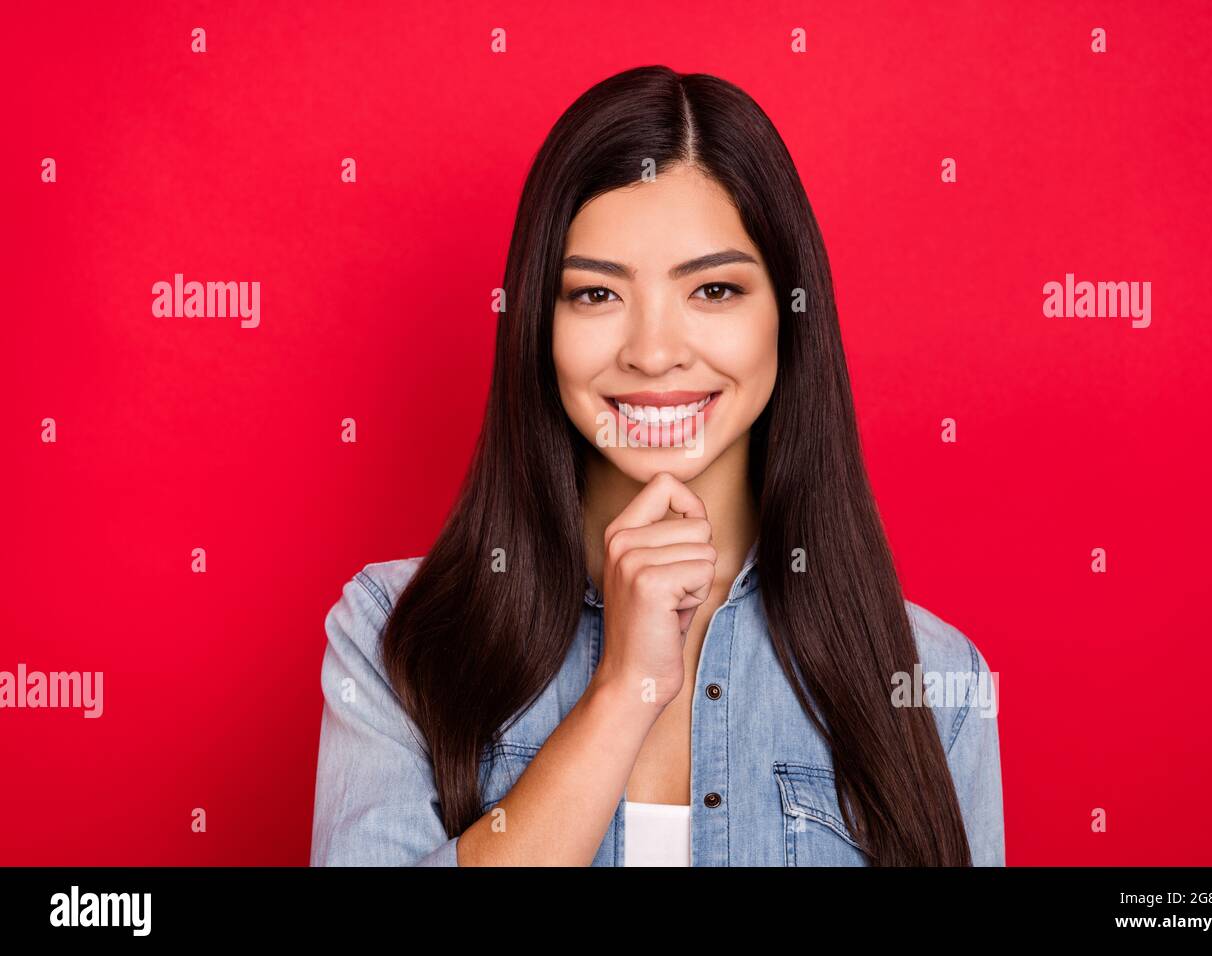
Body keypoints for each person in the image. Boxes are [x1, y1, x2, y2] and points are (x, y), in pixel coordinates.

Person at [310, 64, 1005, 867]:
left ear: (788, 314)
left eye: (713, 289)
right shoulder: (395, 636)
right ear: (539, 322)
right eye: (596, 295)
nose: (652, 353)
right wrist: (620, 692)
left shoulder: (932, 682)